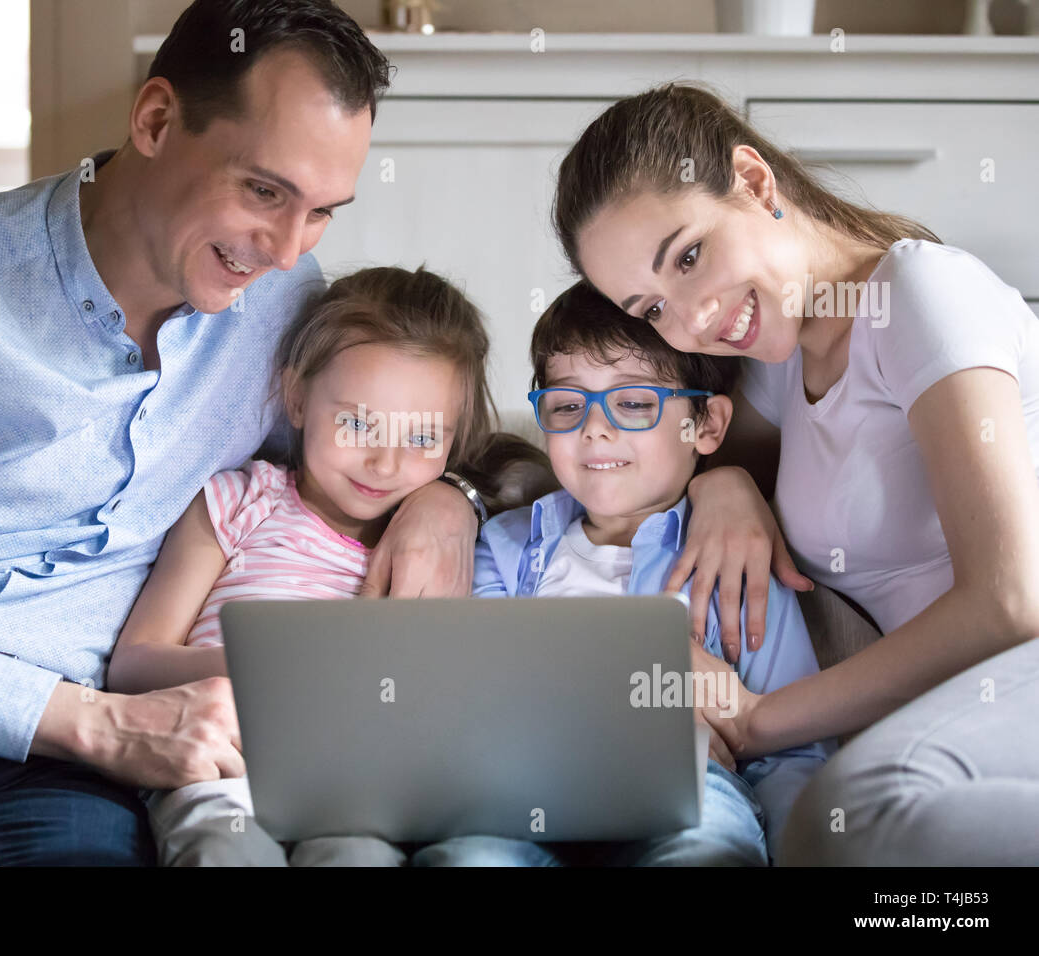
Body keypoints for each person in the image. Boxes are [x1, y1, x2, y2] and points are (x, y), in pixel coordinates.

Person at [0, 0, 487, 866]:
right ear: (156, 119)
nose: (286, 248)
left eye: (322, 211)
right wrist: (97, 724)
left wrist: (450, 495)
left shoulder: (284, 306)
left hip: (73, 763)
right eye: (264, 190)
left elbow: (375, 443)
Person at [554, 82, 1039, 865]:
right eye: (649, 309)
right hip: (953, 722)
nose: (691, 320)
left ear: (753, 181)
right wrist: (727, 484)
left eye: (688, 256)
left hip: (1017, 675)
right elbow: (673, 470)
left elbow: (1013, 602)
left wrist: (754, 720)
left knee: (845, 814)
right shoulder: (779, 359)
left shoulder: (920, 293)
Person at [110, 264, 542, 866]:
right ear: (295, 397)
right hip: (220, 767)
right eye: (358, 423)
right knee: (222, 849)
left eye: (422, 438)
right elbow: (131, 666)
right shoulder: (237, 503)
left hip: (356, 786)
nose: (385, 463)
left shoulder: (434, 553)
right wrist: (269, 668)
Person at [430, 281, 830, 866]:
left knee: (707, 846)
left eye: (635, 403)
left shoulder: (736, 562)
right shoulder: (502, 546)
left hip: (685, 781)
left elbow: (794, 753)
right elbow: (472, 693)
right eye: (568, 405)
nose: (594, 428)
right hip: (524, 783)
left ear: (709, 425)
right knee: (468, 856)